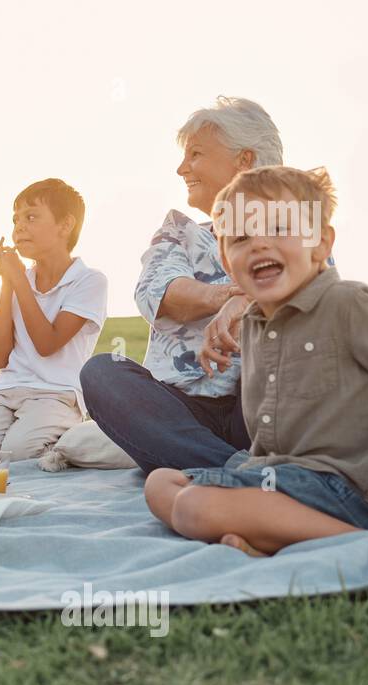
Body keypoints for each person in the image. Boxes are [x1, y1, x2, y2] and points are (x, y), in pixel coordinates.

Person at [143, 166, 368, 560]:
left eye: (278, 229)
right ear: (226, 257)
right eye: (241, 238)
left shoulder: (349, 304)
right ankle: (272, 535)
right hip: (275, 476)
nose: (259, 245)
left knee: (193, 508)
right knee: (159, 483)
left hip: (345, 492)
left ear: (322, 243)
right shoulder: (256, 322)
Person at [80, 97, 287, 473]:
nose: (181, 168)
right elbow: (157, 294)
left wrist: (243, 305)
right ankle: (235, 472)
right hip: (180, 412)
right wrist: (228, 294)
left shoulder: (294, 230)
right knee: (100, 372)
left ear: (244, 160)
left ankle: (216, 470)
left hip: (261, 405)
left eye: (196, 154)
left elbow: (310, 296)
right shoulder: (179, 232)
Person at [0, 178, 107, 459]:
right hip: (6, 391)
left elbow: (47, 343)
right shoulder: (20, 280)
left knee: (18, 453)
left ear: (65, 226)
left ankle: (75, 436)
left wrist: (18, 279)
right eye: (16, 219)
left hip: (55, 394)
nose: (19, 227)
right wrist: (8, 283)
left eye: (31, 217)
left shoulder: (89, 281)